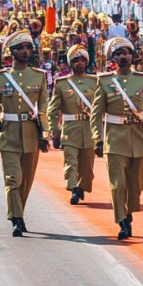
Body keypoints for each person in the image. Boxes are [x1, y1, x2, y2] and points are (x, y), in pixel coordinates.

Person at [91, 37, 143, 240]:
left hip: (138, 139)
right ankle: (121, 220)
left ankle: (128, 211)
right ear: (113, 58)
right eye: (118, 53)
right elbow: (96, 114)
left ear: (132, 55)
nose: (123, 56)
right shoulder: (104, 81)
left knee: (136, 182)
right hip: (114, 140)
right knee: (117, 183)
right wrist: (98, 139)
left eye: (126, 52)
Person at [0, 30, 50, 237]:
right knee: (13, 179)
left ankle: (18, 211)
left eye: (28, 48)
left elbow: (43, 108)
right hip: (9, 134)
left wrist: (45, 134)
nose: (24, 51)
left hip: (31, 134)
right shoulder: (0, 77)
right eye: (20, 48)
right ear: (10, 52)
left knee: (26, 181)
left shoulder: (39, 76)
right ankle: (16, 218)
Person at [47, 44, 97, 206]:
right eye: (75, 60)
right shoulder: (62, 84)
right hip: (70, 129)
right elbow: (53, 109)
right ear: (70, 63)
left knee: (87, 168)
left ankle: (82, 186)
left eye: (82, 60)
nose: (79, 63)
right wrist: (54, 131)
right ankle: (74, 188)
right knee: (70, 162)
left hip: (90, 129)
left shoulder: (95, 82)